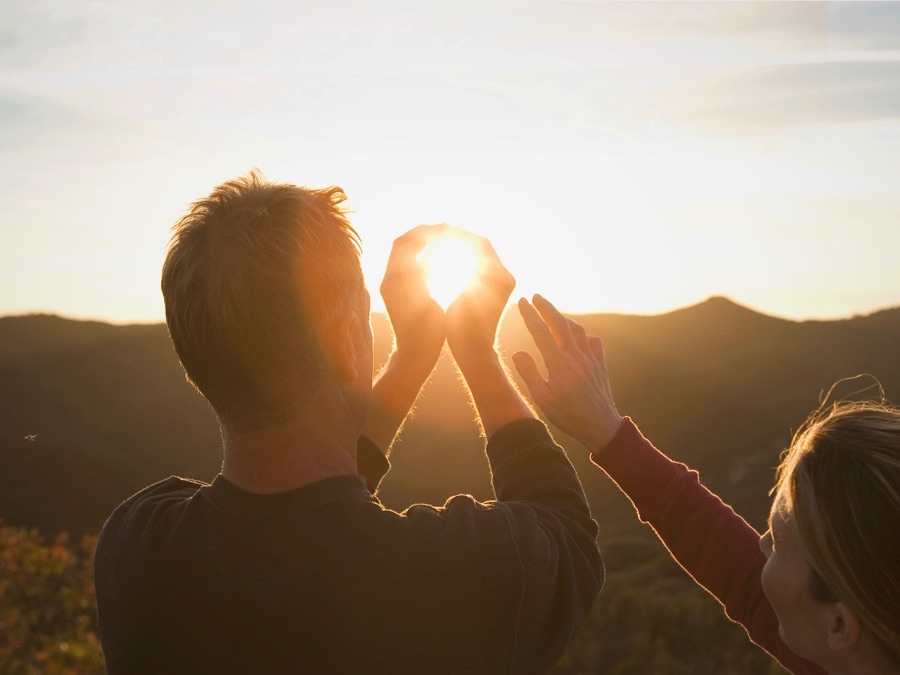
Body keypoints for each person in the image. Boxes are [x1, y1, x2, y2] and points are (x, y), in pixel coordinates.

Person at [93, 172, 604, 675]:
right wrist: (474, 350)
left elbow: (306, 509)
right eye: (364, 317)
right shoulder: (445, 576)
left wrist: (409, 357)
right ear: (345, 338)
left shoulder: (135, 549)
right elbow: (567, 537)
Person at [513, 294, 900, 675]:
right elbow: (735, 570)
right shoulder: (854, 646)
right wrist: (607, 432)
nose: (761, 545)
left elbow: (745, 581)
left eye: (779, 544)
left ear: (838, 625)